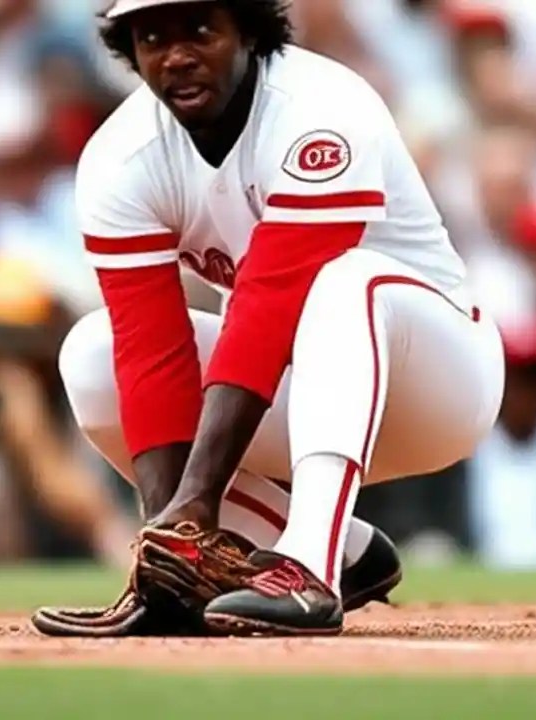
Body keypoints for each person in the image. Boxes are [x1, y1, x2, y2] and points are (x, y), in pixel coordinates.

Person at [33, 0, 504, 637]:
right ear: (128, 51)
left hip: (438, 381)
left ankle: (310, 566)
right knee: (91, 353)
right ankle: (347, 553)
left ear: (249, 28)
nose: (177, 55)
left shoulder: (323, 104)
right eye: (152, 36)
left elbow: (270, 307)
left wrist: (199, 495)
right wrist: (169, 539)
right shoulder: (120, 156)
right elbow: (153, 354)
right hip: (298, 395)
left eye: (200, 28)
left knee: (341, 281)